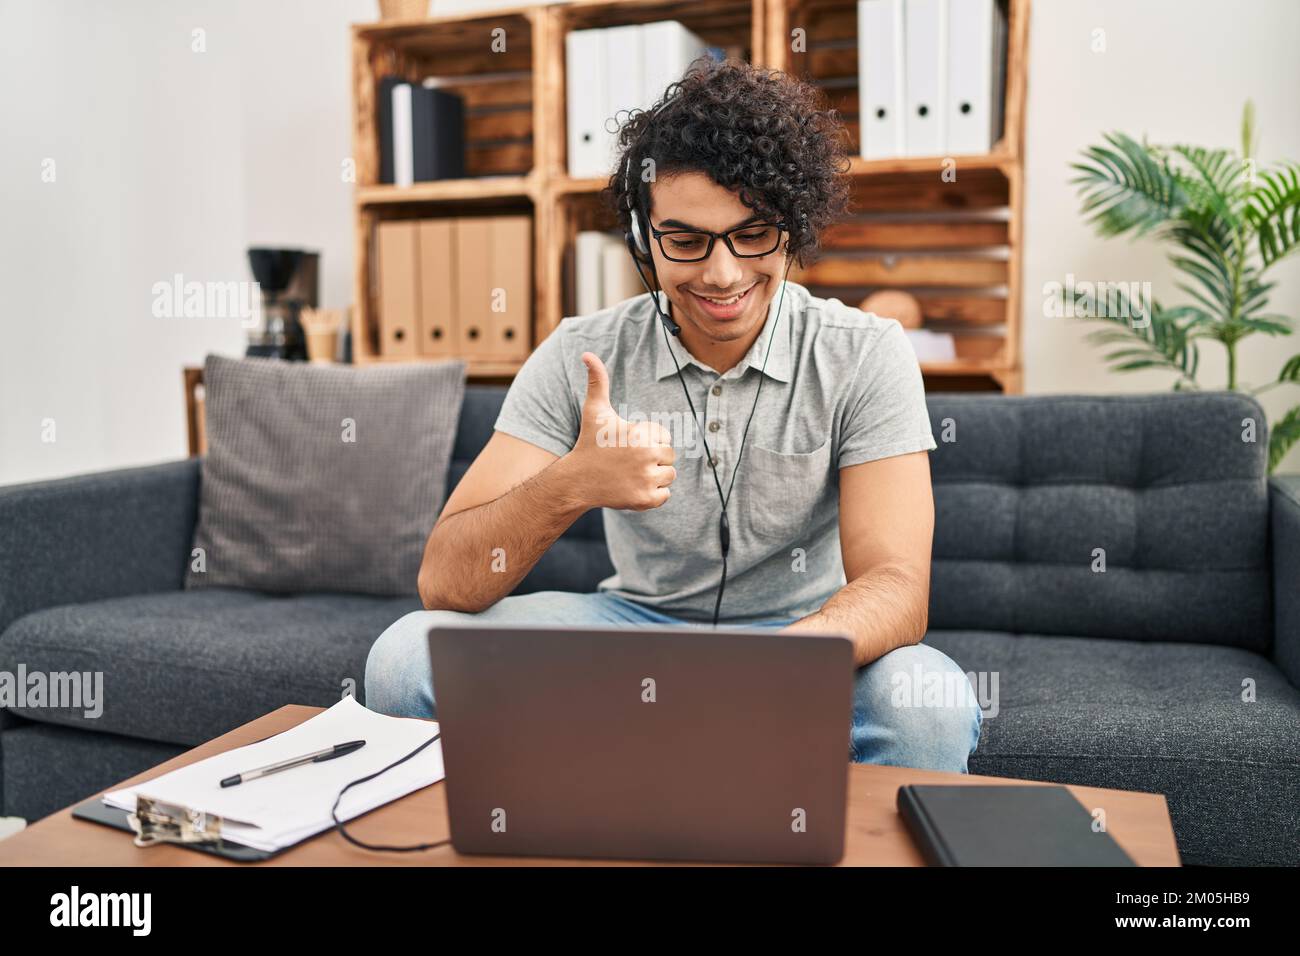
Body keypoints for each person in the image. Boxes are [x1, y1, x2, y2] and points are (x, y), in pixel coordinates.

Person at [366, 58, 982, 772]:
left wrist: (782, 664)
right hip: (634, 627)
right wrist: (573, 482)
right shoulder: (580, 353)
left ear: (793, 227)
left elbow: (897, 586)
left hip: (808, 637)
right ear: (644, 239)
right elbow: (444, 582)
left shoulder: (866, 353)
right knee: (405, 656)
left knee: (927, 702)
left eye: (753, 234)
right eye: (686, 241)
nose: (722, 274)